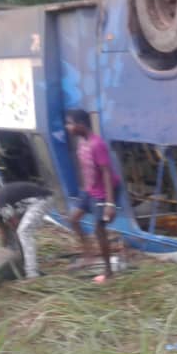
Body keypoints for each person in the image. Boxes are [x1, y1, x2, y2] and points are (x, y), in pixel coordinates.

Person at [64, 109, 121, 279]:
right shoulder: (82, 142)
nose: (68, 127)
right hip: (90, 191)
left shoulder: (97, 144)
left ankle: (108, 272)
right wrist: (85, 188)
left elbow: (106, 172)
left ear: (81, 125)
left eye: (70, 123)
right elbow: (86, 167)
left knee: (99, 230)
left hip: (103, 193)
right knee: (73, 220)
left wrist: (110, 204)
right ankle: (89, 256)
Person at [0, 180, 53, 280]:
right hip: (25, 205)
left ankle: (32, 273)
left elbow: (15, 225)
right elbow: (4, 230)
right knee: (13, 231)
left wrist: (21, 251)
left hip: (41, 200)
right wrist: (3, 253)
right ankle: (18, 260)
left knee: (23, 232)